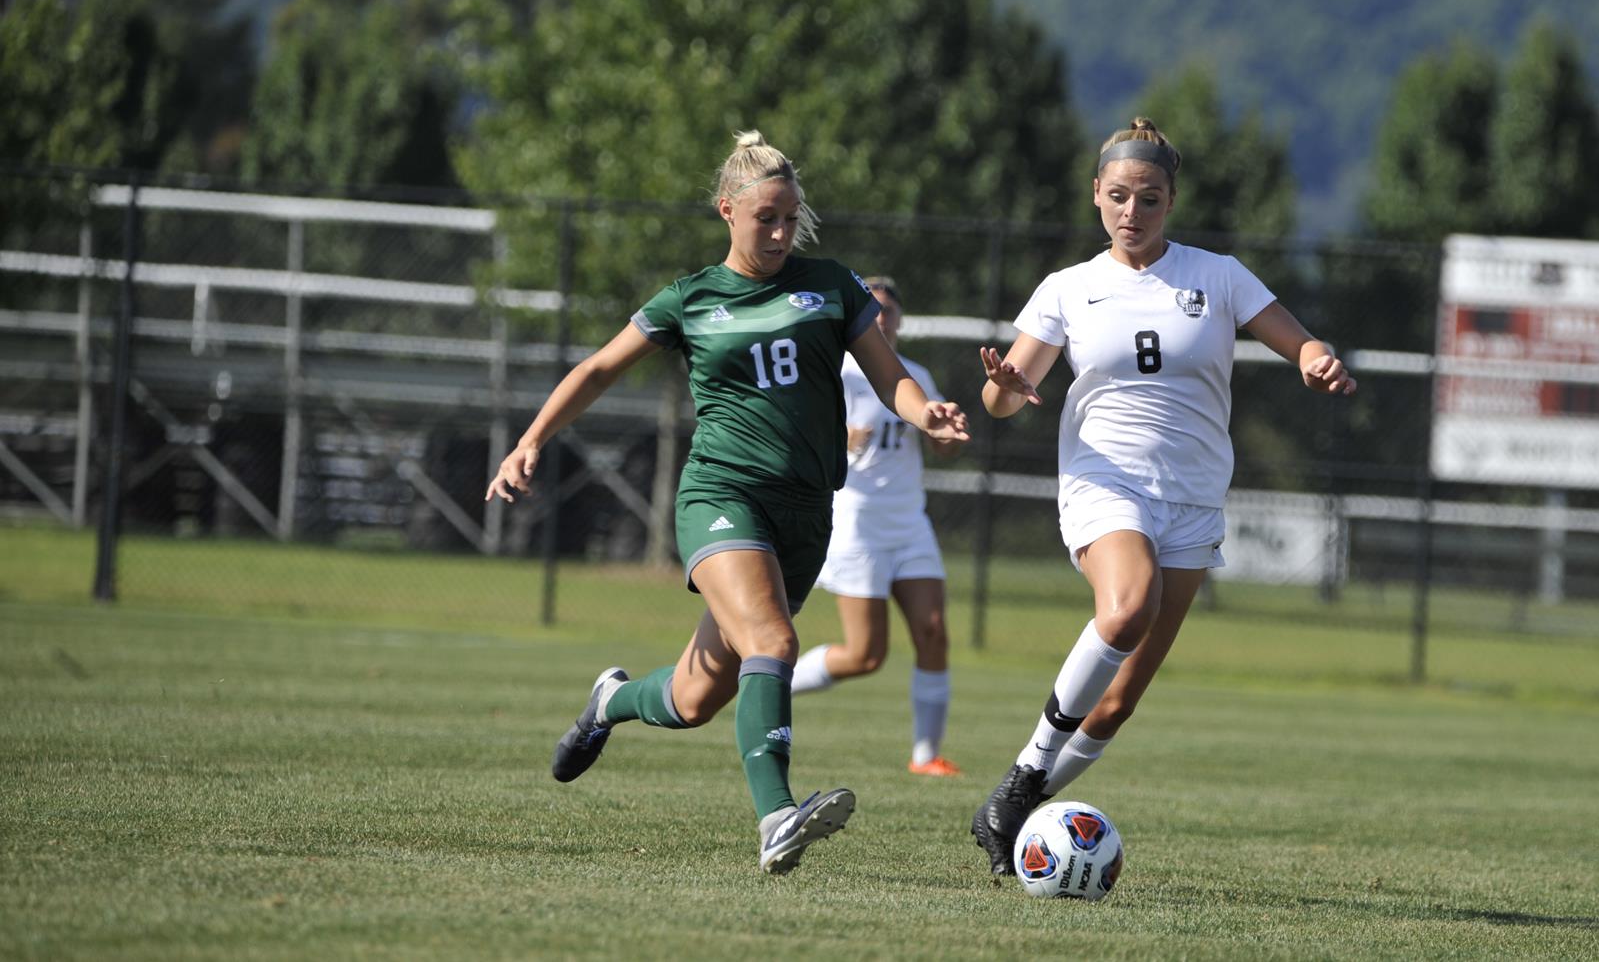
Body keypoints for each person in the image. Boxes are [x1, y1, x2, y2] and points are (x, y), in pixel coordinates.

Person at [485, 131, 970, 876]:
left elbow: (890, 375)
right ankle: (777, 816)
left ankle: (609, 700)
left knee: (693, 697)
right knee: (773, 643)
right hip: (722, 495)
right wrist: (532, 439)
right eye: (764, 218)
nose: (779, 233)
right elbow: (598, 368)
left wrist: (923, 410)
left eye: (789, 218)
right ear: (727, 210)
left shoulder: (832, 284)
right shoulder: (691, 297)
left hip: (806, 513)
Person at [968, 117, 1357, 877]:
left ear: (1171, 199)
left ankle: (1007, 815)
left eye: (1148, 198)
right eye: (1118, 196)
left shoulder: (1217, 275)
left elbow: (1298, 338)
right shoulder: (1069, 289)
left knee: (1117, 704)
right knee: (1127, 602)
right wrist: (1005, 386)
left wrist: (1315, 358)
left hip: (1194, 499)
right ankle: (1024, 779)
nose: (1131, 212)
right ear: (1095, 196)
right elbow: (1001, 400)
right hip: (1104, 480)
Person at [792, 275, 965, 777]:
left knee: (933, 633)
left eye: (890, 309)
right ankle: (772, 686)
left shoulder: (914, 374)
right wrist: (835, 437)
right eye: (873, 309)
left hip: (909, 523)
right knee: (866, 655)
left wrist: (949, 431)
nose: (882, 317)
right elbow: (795, 435)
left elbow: (939, 444)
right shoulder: (834, 373)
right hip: (859, 524)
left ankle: (925, 755)